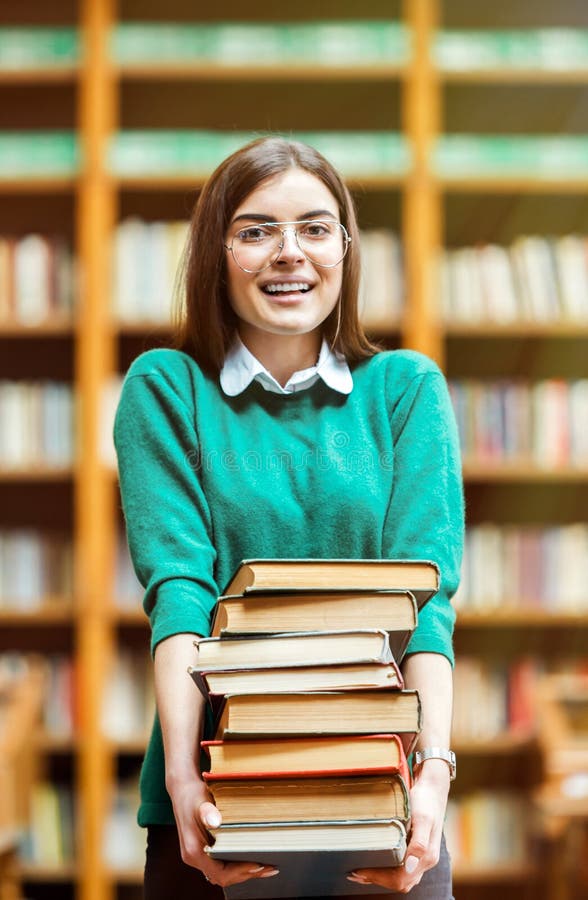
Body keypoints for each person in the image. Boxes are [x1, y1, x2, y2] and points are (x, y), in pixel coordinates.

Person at [113, 135, 464, 900]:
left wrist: (433, 772)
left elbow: (429, 606)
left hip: (385, 795)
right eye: (255, 230)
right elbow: (178, 592)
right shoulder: (166, 387)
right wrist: (182, 781)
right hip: (215, 791)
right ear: (217, 251)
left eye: (314, 227)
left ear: (345, 247)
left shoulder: (404, 389)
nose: (288, 253)